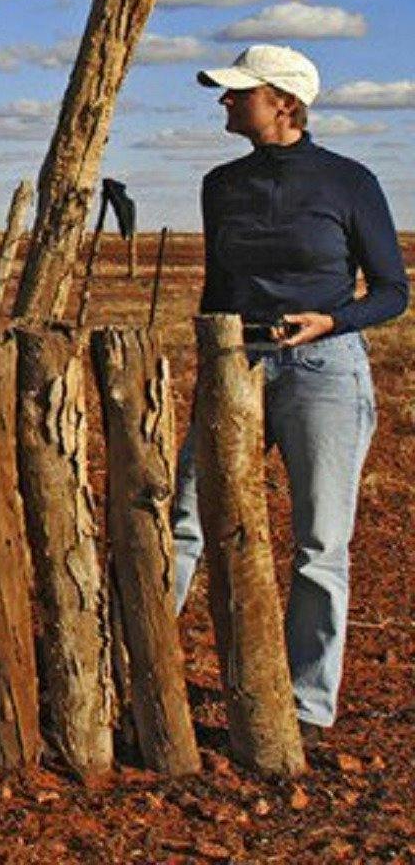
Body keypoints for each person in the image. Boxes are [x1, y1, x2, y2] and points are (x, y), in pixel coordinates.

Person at [171, 44, 407, 739]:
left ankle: (306, 706)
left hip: (324, 369)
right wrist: (215, 361)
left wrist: (333, 319)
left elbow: (392, 290)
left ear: (285, 103)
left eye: (238, 92)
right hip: (238, 365)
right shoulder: (221, 185)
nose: (224, 101)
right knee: (185, 516)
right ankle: (136, 663)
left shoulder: (349, 182)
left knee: (319, 542)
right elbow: (219, 284)